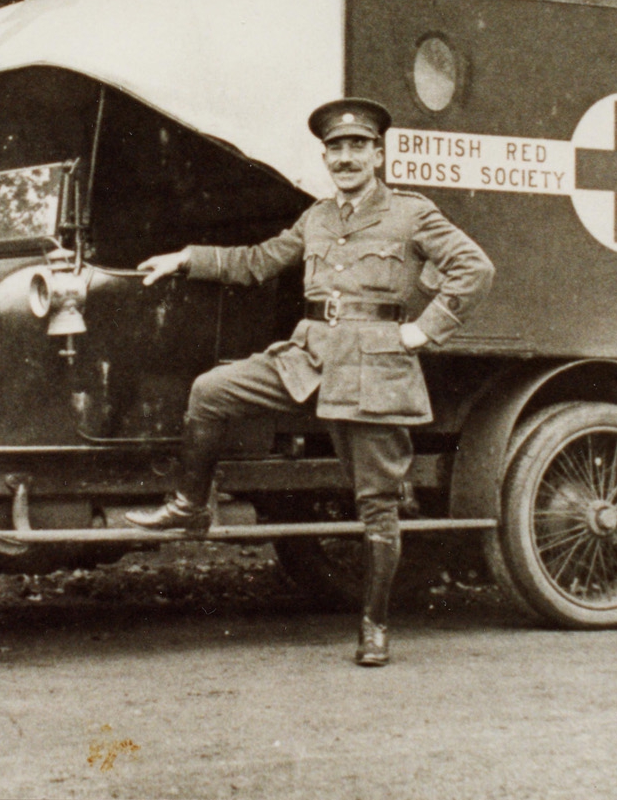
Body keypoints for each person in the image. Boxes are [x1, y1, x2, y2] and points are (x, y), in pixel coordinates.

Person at [127, 97, 494, 666]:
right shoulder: (317, 217)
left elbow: (476, 268)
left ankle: (374, 627)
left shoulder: (411, 214)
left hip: (375, 365)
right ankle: (189, 505)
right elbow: (256, 262)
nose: (345, 158)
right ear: (325, 157)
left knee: (376, 504)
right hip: (310, 357)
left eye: (357, 147)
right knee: (211, 390)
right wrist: (184, 259)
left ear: (377, 153)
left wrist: (424, 332)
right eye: (335, 149)